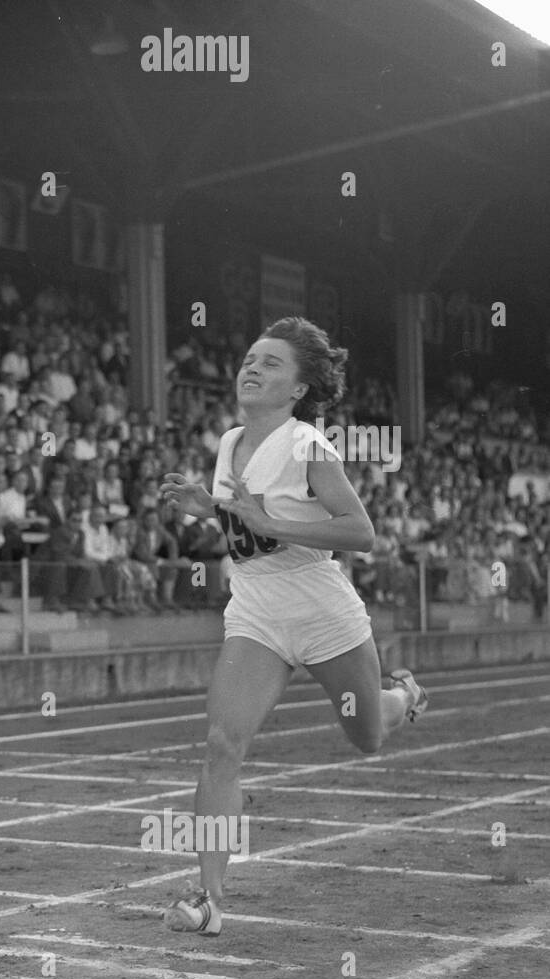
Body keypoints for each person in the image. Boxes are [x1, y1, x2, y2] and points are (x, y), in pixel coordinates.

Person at [158, 316, 427, 937]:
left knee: (366, 738)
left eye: (271, 363)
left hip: (321, 609)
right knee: (223, 744)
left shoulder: (310, 446)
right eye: (250, 358)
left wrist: (272, 523)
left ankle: (401, 695)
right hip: (254, 608)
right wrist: (210, 509)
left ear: (298, 390)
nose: (251, 368)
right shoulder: (229, 443)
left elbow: (360, 533)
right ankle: (209, 897)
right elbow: (245, 524)